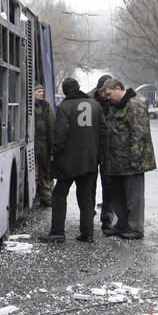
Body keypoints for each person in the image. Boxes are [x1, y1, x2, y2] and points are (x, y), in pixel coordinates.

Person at [41, 78, 103, 243]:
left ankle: (57, 232)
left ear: (65, 90)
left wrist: (54, 152)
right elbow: (104, 132)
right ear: (78, 88)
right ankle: (87, 233)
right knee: (86, 196)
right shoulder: (95, 105)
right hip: (90, 160)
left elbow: (61, 135)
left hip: (68, 161)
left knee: (59, 195)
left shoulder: (64, 107)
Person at [101, 79, 156, 239]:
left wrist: (136, 157)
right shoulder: (116, 106)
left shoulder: (134, 105)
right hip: (116, 160)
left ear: (119, 89)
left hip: (131, 160)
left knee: (134, 196)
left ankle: (135, 228)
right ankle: (122, 225)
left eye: (110, 94)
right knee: (118, 195)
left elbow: (139, 133)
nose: (108, 98)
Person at [93, 73, 115, 234]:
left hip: (98, 149)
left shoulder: (91, 101)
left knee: (107, 185)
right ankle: (104, 217)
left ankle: (106, 217)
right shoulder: (94, 103)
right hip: (100, 148)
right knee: (105, 185)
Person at [33, 85, 54, 207]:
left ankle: (45, 196)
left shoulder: (46, 106)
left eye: (42, 91)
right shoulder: (30, 107)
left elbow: (51, 125)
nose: (41, 93)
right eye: (38, 91)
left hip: (44, 143)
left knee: (44, 170)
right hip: (34, 142)